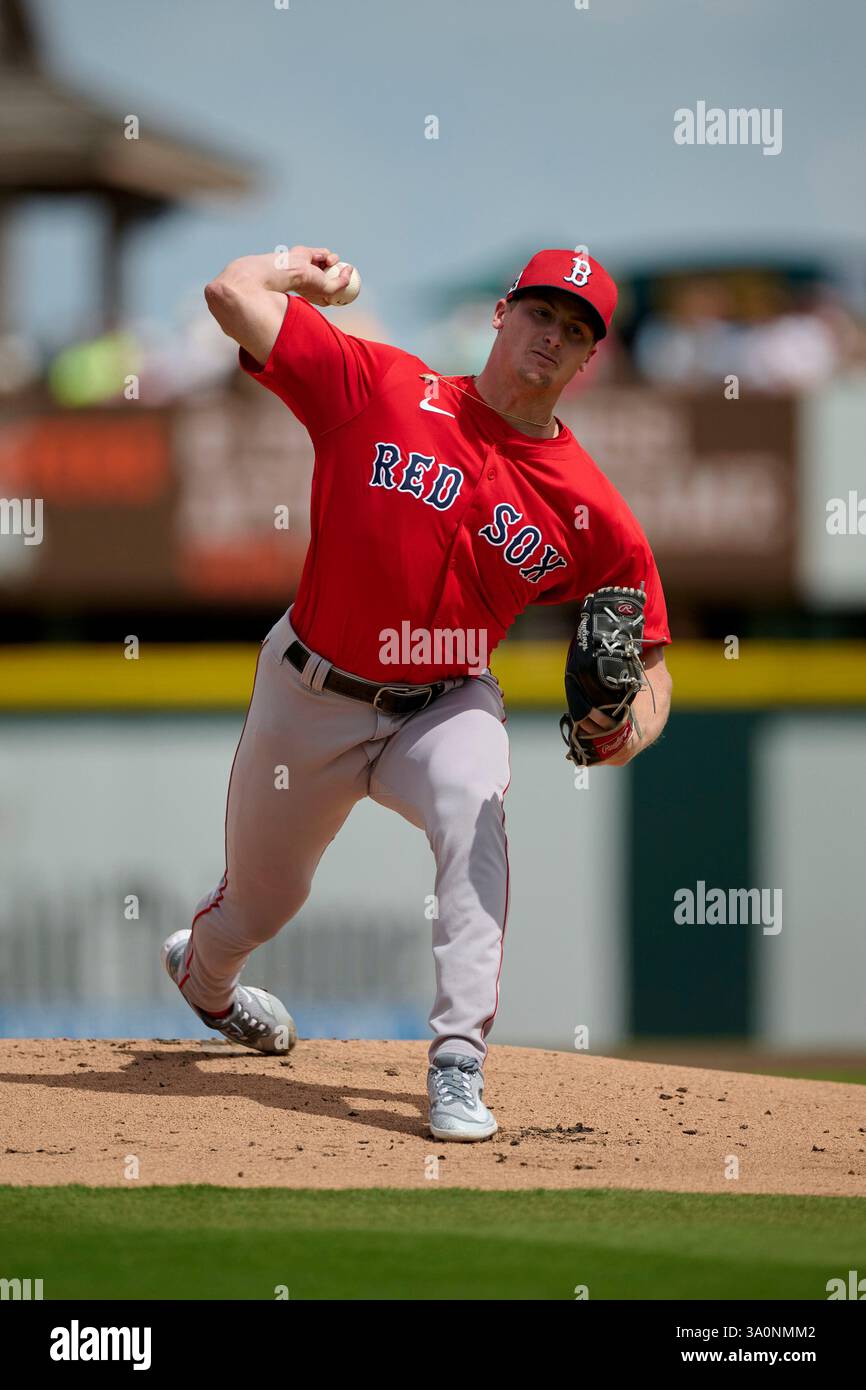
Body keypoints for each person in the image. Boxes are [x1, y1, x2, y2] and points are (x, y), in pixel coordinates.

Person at [162, 245, 672, 1141]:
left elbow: (657, 661)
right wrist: (298, 271)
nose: (553, 337)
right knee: (261, 904)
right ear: (501, 314)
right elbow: (229, 295)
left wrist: (625, 729)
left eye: (577, 330)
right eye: (542, 315)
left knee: (475, 808)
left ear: (591, 359)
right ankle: (205, 984)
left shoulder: (590, 506)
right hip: (309, 692)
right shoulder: (380, 385)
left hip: (443, 703)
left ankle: (457, 1065)